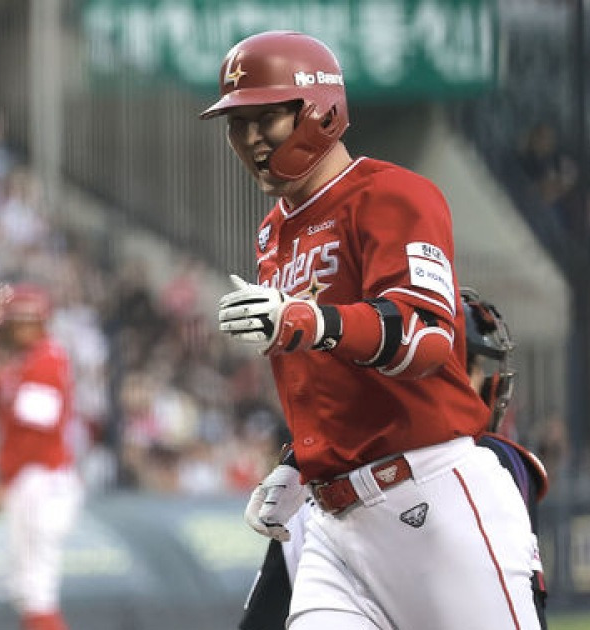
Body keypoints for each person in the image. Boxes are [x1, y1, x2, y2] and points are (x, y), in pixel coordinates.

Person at [205, 30, 543, 629]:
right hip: (334, 525)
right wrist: (297, 460)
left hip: (432, 500)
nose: (250, 138)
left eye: (266, 117)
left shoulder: (391, 192)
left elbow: (426, 336)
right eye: (237, 122)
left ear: (318, 109)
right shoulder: (271, 234)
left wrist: (302, 319)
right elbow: (324, 376)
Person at [238, 287, 550, 630]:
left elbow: (261, 619)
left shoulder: (312, 481)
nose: (484, 380)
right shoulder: (496, 462)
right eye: (474, 366)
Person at [0, 282, 83, 630]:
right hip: (33, 479)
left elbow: (35, 434)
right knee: (26, 589)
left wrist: (5, 481)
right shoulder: (26, 361)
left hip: (41, 478)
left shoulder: (46, 359)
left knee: (36, 589)